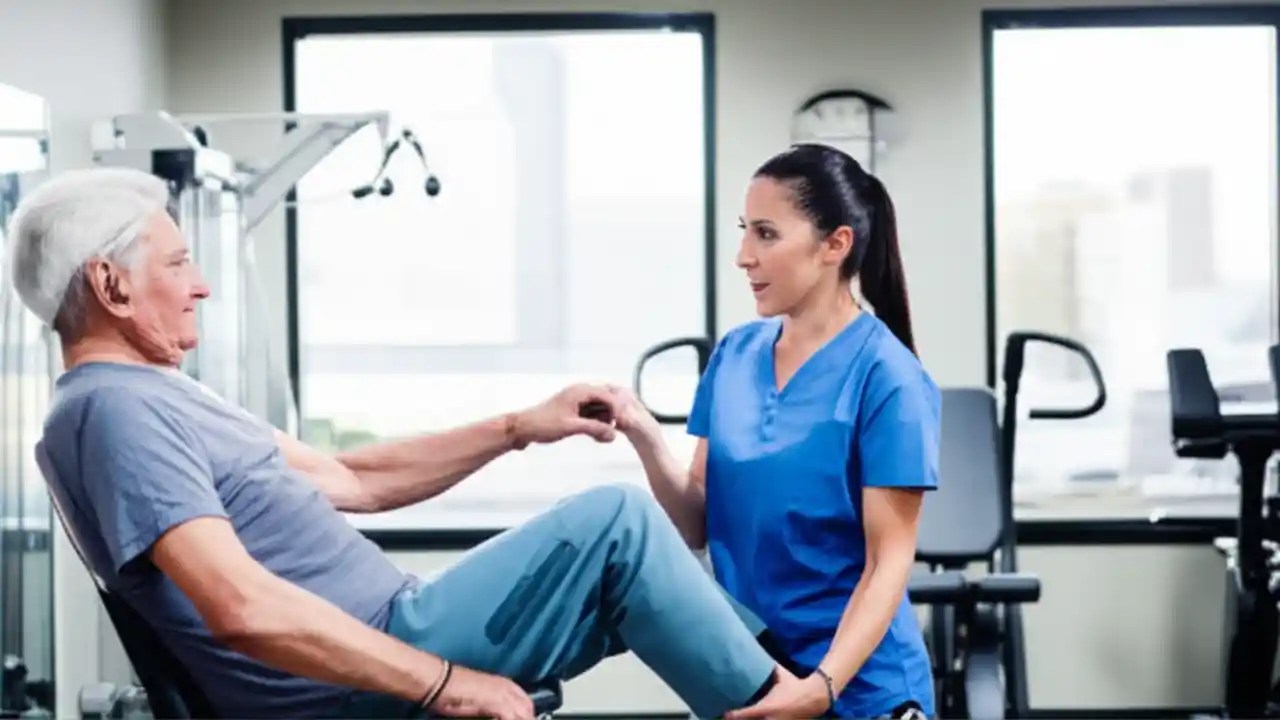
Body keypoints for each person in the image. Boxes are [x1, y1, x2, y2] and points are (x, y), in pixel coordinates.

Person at [7, 167, 796, 720]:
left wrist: (520, 426)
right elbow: (238, 607)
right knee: (617, 523)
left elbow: (354, 477)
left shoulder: (159, 398)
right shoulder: (115, 413)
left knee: (632, 571)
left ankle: (793, 684)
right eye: (179, 264)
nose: (201, 285)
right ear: (112, 286)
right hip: (358, 674)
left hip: (394, 627)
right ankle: (795, 700)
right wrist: (444, 683)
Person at [607, 144, 940, 719]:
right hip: (751, 673)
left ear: (836, 244)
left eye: (766, 234)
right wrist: (642, 433)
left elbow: (889, 562)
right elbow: (697, 520)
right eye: (745, 232)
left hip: (861, 687)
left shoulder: (889, 377)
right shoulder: (734, 355)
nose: (743, 256)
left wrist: (823, 687)